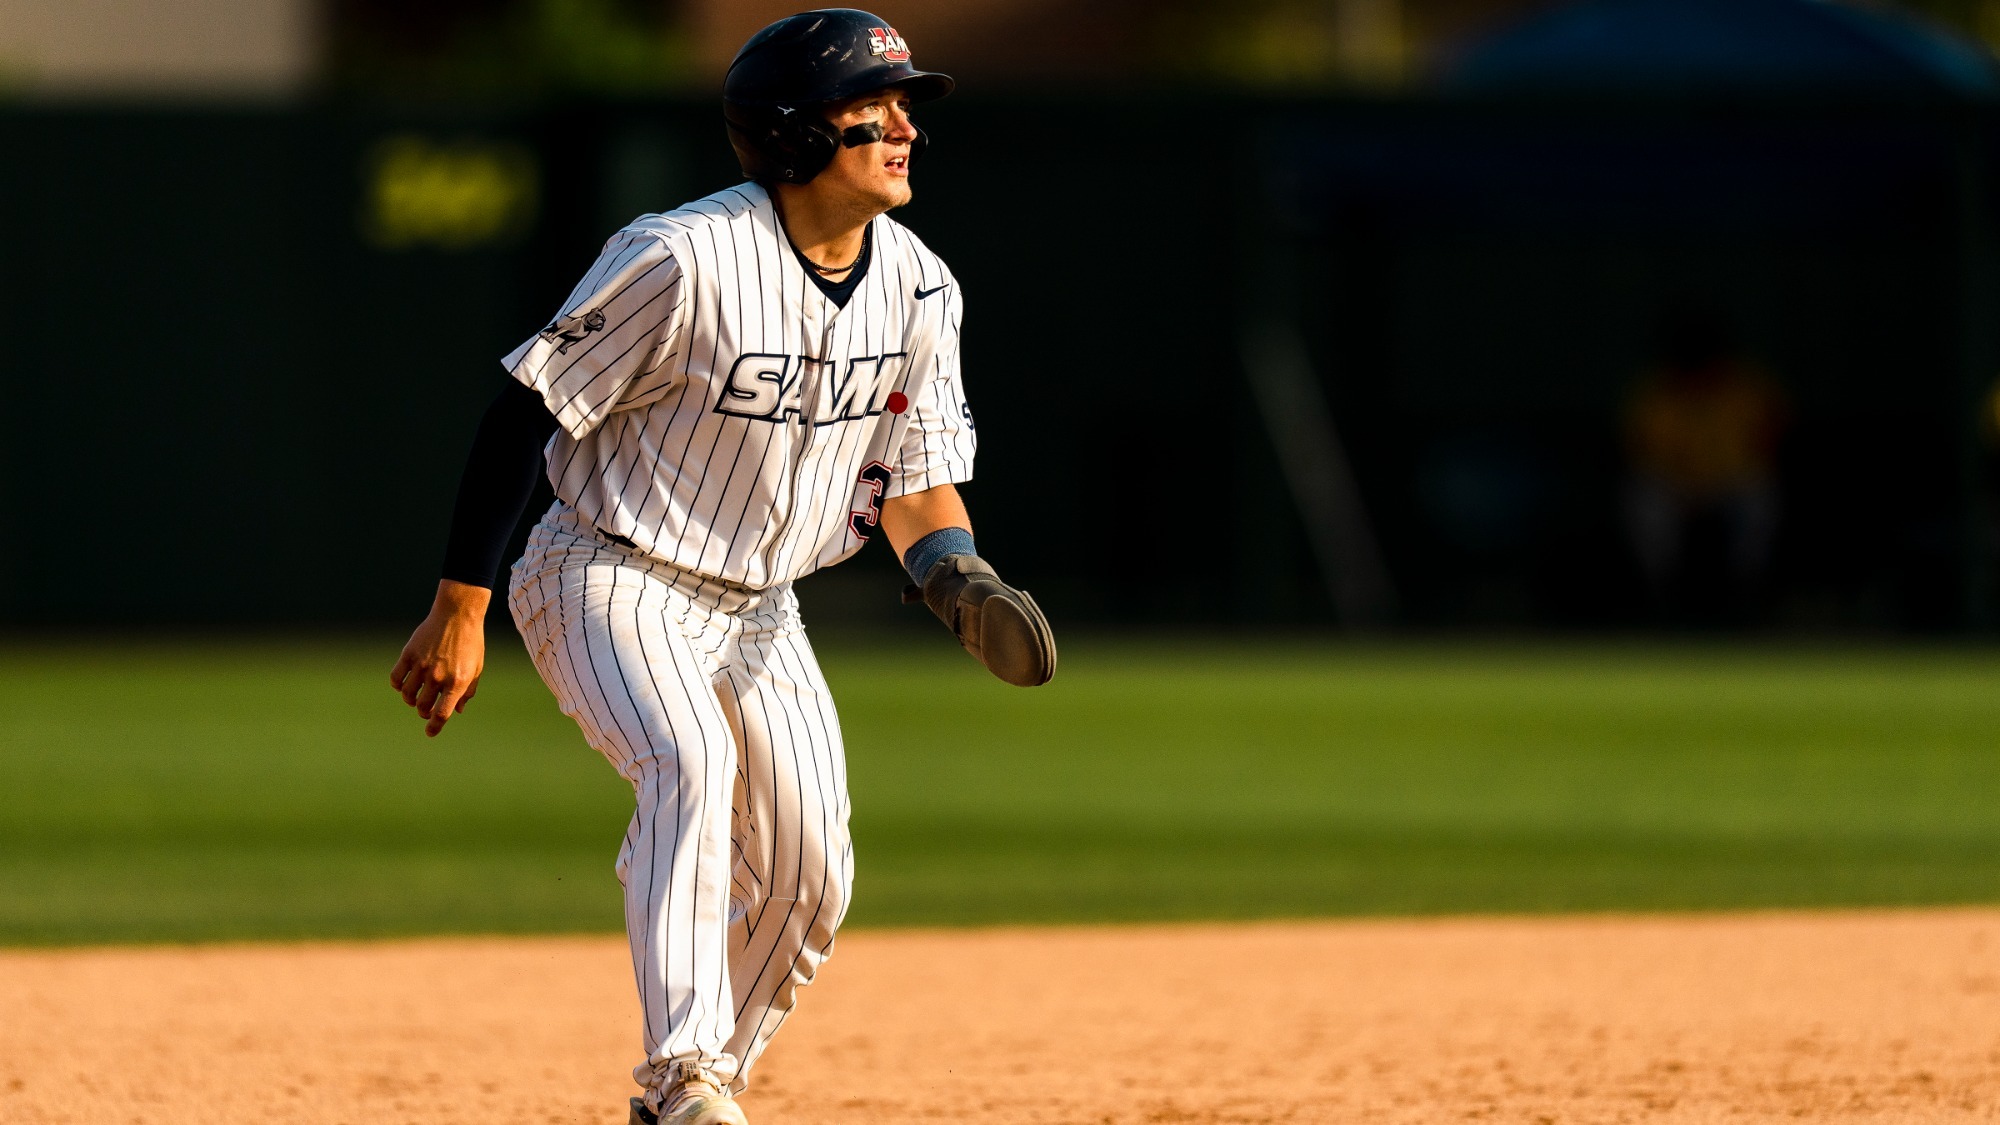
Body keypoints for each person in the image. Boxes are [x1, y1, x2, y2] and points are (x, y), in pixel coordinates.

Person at [387, 11, 1056, 1124]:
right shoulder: (680, 256)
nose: (904, 129)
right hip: (609, 572)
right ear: (797, 134)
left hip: (760, 611)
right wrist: (462, 602)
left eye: (905, 108)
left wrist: (955, 574)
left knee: (809, 876)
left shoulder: (922, 287)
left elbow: (917, 478)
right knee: (686, 764)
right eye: (874, 108)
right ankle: (683, 1073)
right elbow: (525, 413)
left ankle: (695, 1097)